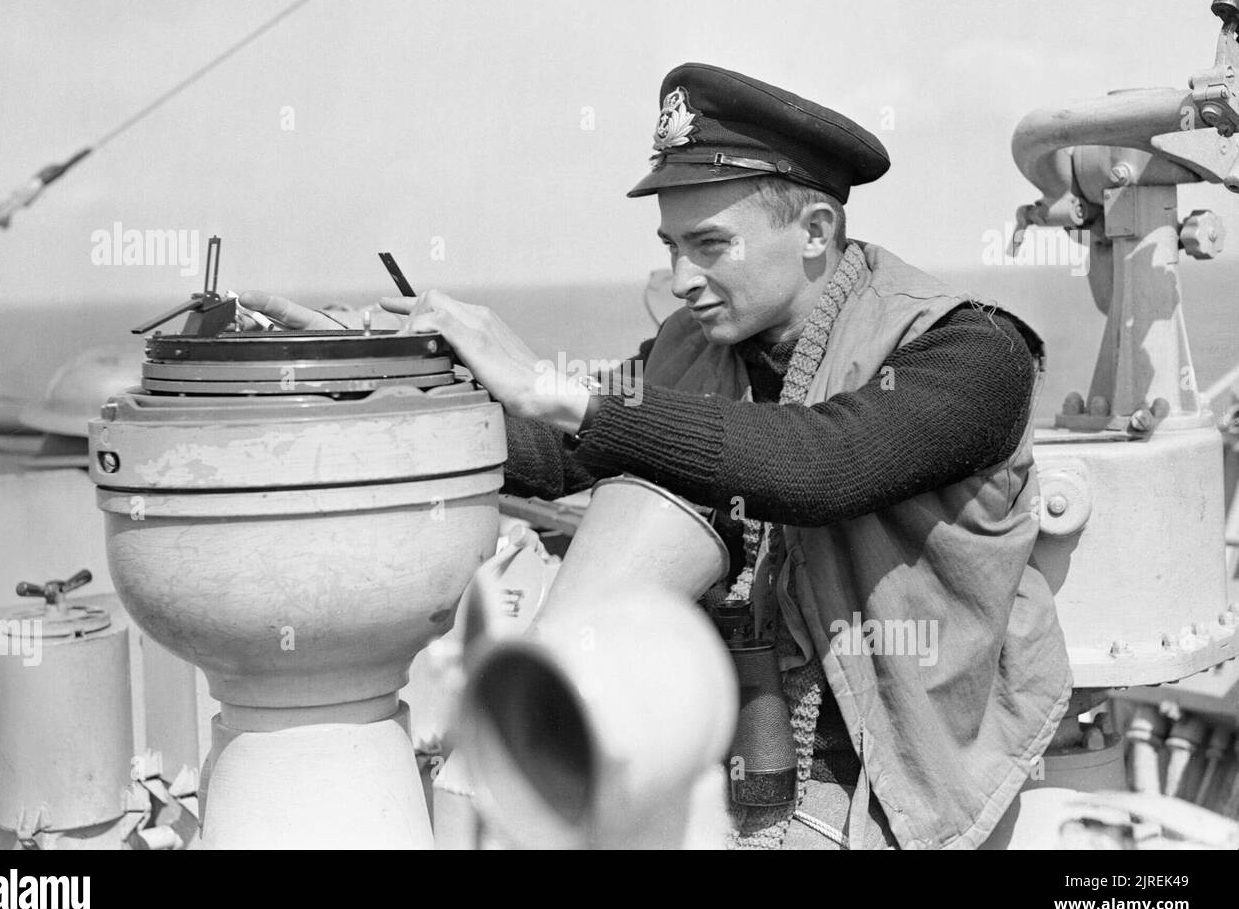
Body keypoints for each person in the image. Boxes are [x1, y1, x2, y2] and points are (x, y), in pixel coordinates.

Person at [240, 62, 1073, 850]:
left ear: (816, 231)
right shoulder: (701, 343)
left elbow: (820, 463)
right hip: (730, 743)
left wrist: (551, 388)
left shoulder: (969, 350)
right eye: (671, 246)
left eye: (708, 246)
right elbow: (553, 450)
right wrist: (394, 378)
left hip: (888, 780)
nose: (679, 278)